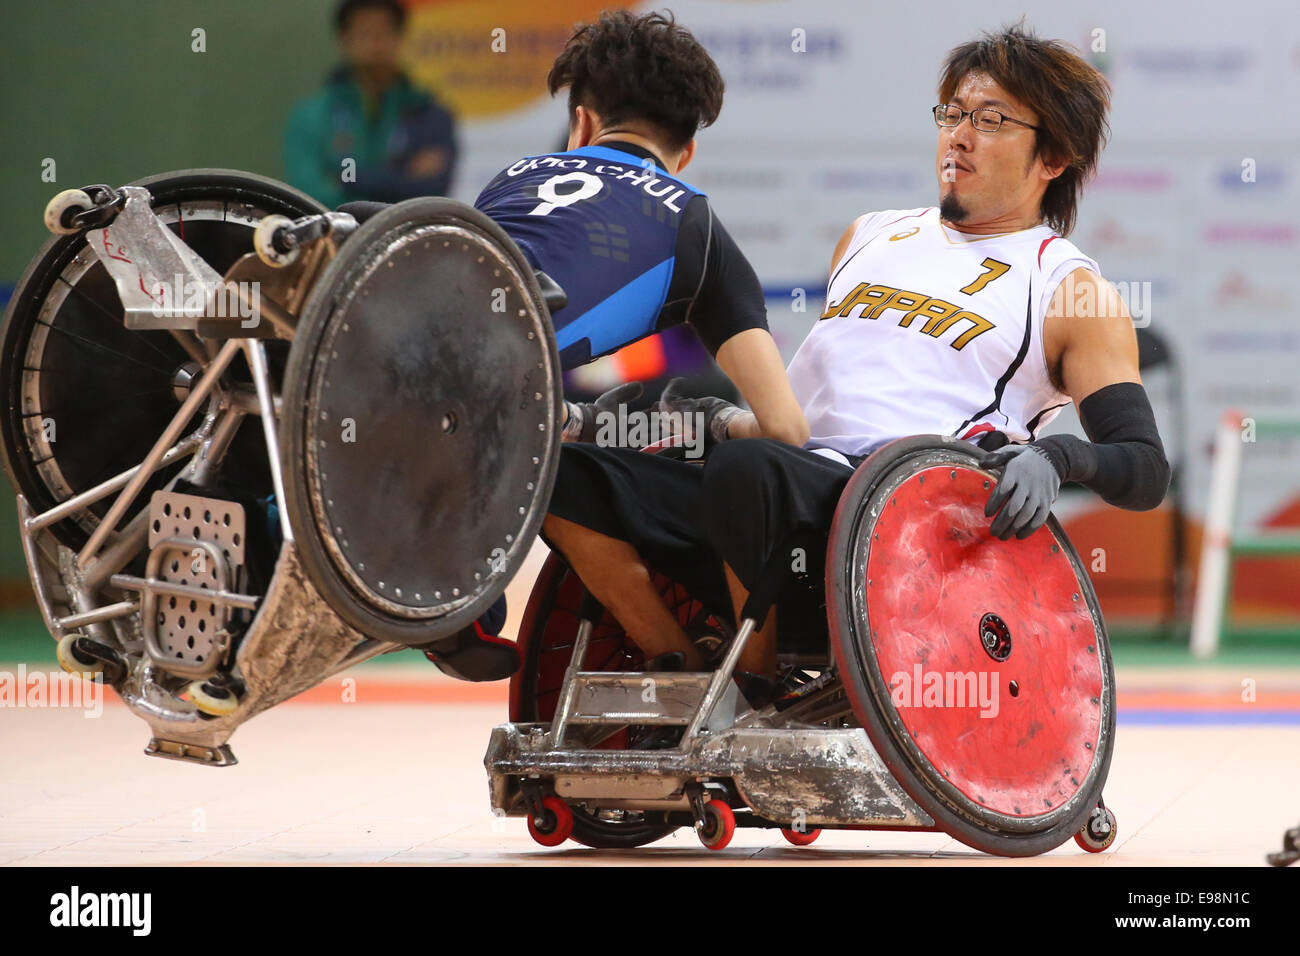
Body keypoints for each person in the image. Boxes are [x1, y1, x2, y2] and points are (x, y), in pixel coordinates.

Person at [546, 23, 1171, 707]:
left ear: (1053, 157)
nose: (958, 136)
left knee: (747, 469)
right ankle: (679, 660)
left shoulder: (1070, 289)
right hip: (775, 486)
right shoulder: (872, 232)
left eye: (991, 121)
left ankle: (752, 687)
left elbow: (1141, 466)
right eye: (953, 113)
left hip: (895, 522)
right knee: (561, 470)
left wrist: (1056, 458)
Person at [342, 10, 808, 680]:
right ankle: (746, 678)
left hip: (373, 361)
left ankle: (666, 656)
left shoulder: (513, 179)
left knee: (551, 444)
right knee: (711, 458)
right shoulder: (693, 219)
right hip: (469, 432)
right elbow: (787, 430)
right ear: (688, 154)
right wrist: (711, 427)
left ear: (582, 124)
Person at [284, 0, 457, 209]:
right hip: (336, 237)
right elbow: (310, 193)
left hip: (407, 236)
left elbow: (430, 189)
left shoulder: (430, 115)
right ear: (343, 39)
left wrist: (350, 178)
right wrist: (400, 177)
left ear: (401, 37)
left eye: (385, 31)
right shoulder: (312, 116)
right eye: (364, 31)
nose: (376, 41)